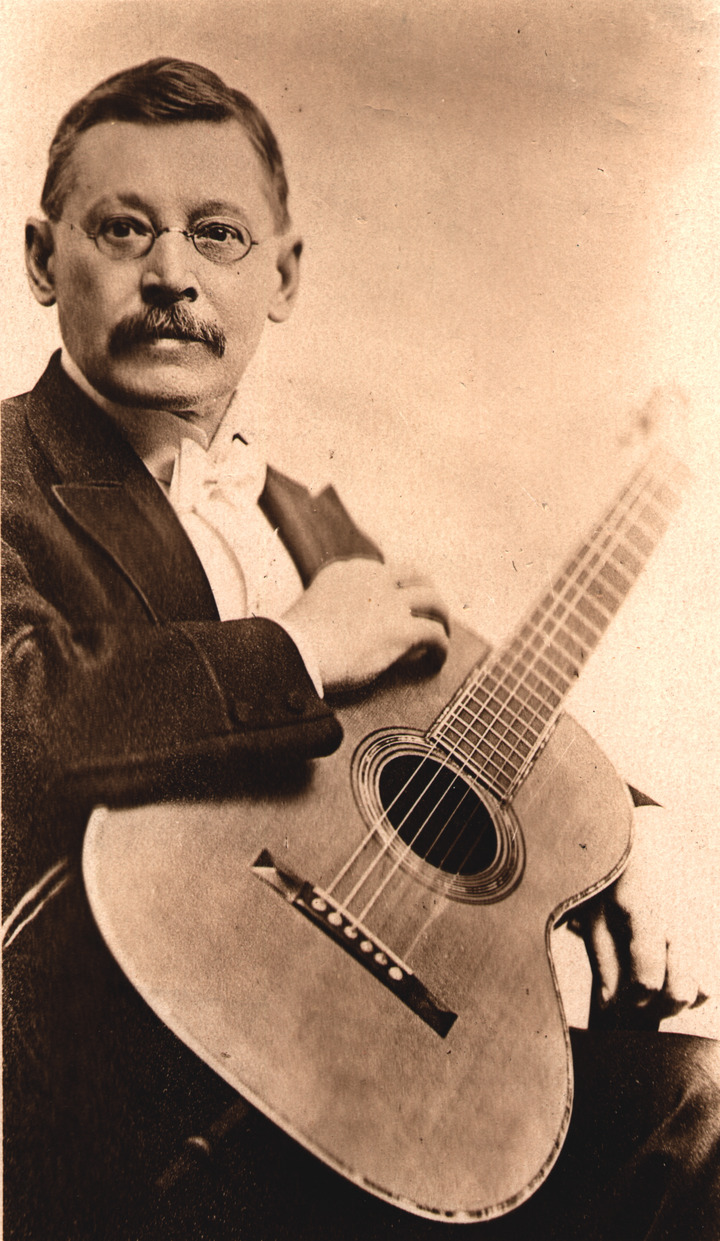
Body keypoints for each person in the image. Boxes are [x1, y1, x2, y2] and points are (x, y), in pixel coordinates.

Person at [2, 57, 718, 1241]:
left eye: (217, 234)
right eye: (125, 228)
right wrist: (290, 647)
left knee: (697, 1100)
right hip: (134, 1065)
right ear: (42, 257)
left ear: (282, 276)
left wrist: (613, 844)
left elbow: (454, 721)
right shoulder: (12, 473)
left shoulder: (317, 524)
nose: (172, 273)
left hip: (394, 1073)